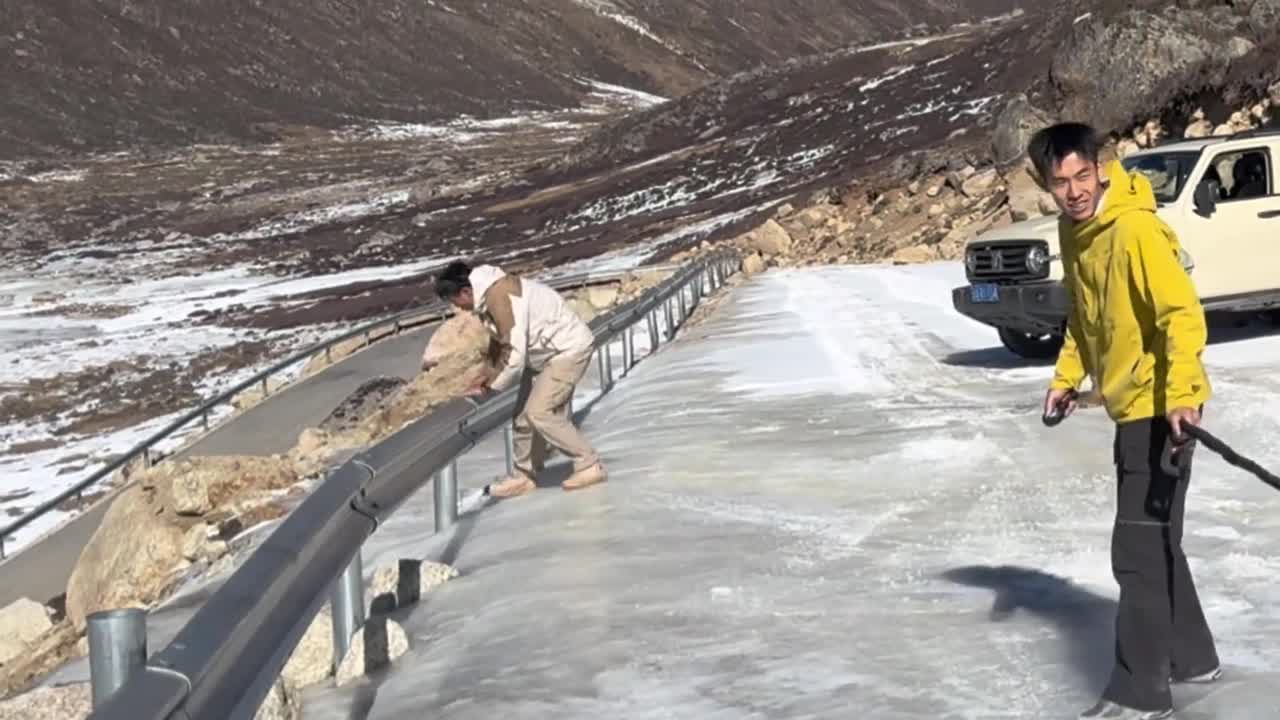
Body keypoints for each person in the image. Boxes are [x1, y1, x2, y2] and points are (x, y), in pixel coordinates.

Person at [1032, 122, 1219, 720]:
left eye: (1082, 177)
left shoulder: (1135, 228)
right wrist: (1067, 378)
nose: (1075, 192)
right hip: (1130, 404)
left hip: (1163, 408)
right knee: (1158, 539)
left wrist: (1184, 395)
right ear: (1047, 186)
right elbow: (1086, 319)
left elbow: (1180, 314)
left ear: (1100, 169)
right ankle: (1192, 660)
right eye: (1060, 183)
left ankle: (1138, 693)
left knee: (1136, 550)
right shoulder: (1076, 232)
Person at [433, 260, 607, 496]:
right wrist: (485, 375)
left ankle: (589, 464)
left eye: (457, 302)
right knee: (523, 417)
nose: (460, 309)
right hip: (544, 354)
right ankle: (524, 475)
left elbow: (514, 353)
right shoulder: (489, 296)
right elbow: (500, 344)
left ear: (465, 291)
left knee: (540, 412)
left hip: (566, 350)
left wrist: (491, 387)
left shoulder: (500, 296)